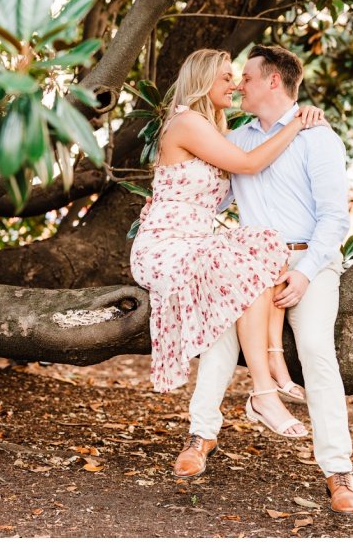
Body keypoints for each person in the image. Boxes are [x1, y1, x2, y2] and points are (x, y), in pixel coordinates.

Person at [171, 45, 353, 515]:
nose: (239, 85)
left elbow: (334, 220)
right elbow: (209, 198)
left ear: (273, 81)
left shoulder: (318, 138)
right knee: (219, 339)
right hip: (251, 263)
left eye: (248, 78)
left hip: (308, 263)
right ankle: (201, 437)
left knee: (316, 348)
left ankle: (339, 472)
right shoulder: (234, 138)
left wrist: (302, 272)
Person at [129, 48, 328, 442]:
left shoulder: (214, 130)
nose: (235, 85)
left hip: (195, 243)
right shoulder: (187, 122)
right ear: (203, 81)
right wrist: (295, 124)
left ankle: (273, 366)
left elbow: (214, 191)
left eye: (237, 77)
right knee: (235, 264)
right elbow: (249, 165)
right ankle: (264, 393)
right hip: (165, 247)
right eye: (225, 77)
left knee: (266, 243)